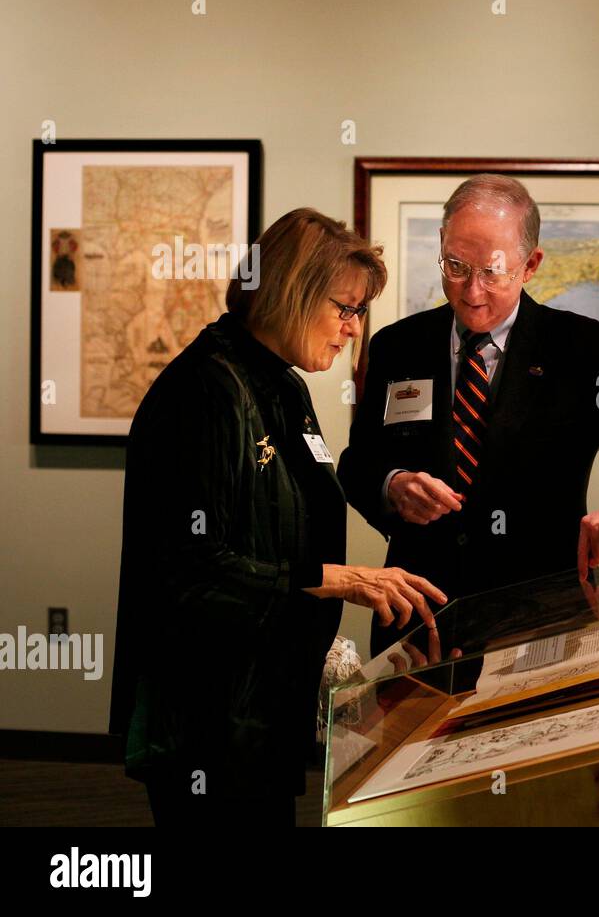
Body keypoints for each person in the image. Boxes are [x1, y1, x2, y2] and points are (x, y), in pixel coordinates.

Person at [109, 208, 444, 825]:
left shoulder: (283, 386)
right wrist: (345, 581)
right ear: (290, 292)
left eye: (360, 311)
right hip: (208, 717)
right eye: (344, 308)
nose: (353, 329)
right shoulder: (205, 391)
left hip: (265, 706)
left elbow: (286, 531)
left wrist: (327, 641)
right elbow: (193, 568)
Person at [338, 175, 599, 657]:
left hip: (544, 623)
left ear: (530, 265)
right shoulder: (396, 345)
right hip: (418, 621)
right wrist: (392, 483)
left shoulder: (581, 350)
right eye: (455, 267)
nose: (471, 292)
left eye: (492, 272)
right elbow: (358, 462)